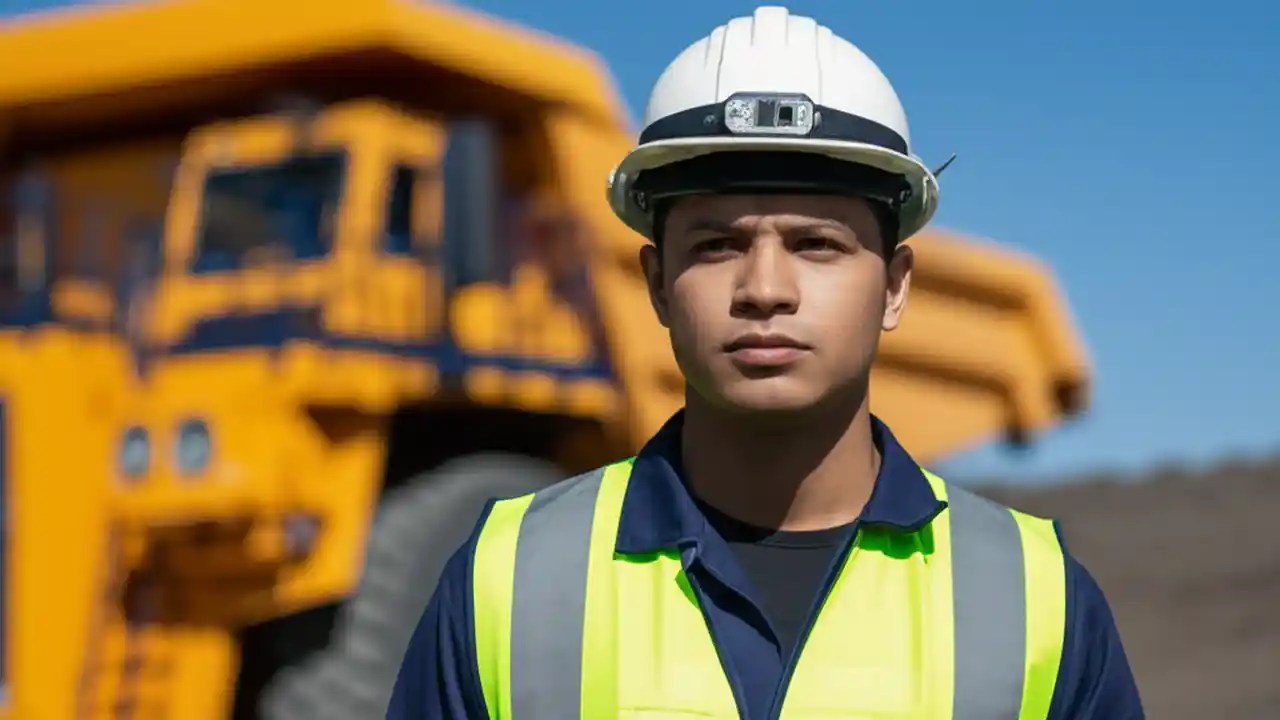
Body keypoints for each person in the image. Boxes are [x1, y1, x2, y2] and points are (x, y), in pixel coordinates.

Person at [387, 6, 1144, 719]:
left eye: (817, 245)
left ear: (893, 285)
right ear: (656, 283)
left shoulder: (1034, 600)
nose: (764, 289)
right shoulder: (507, 579)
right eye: (717, 245)